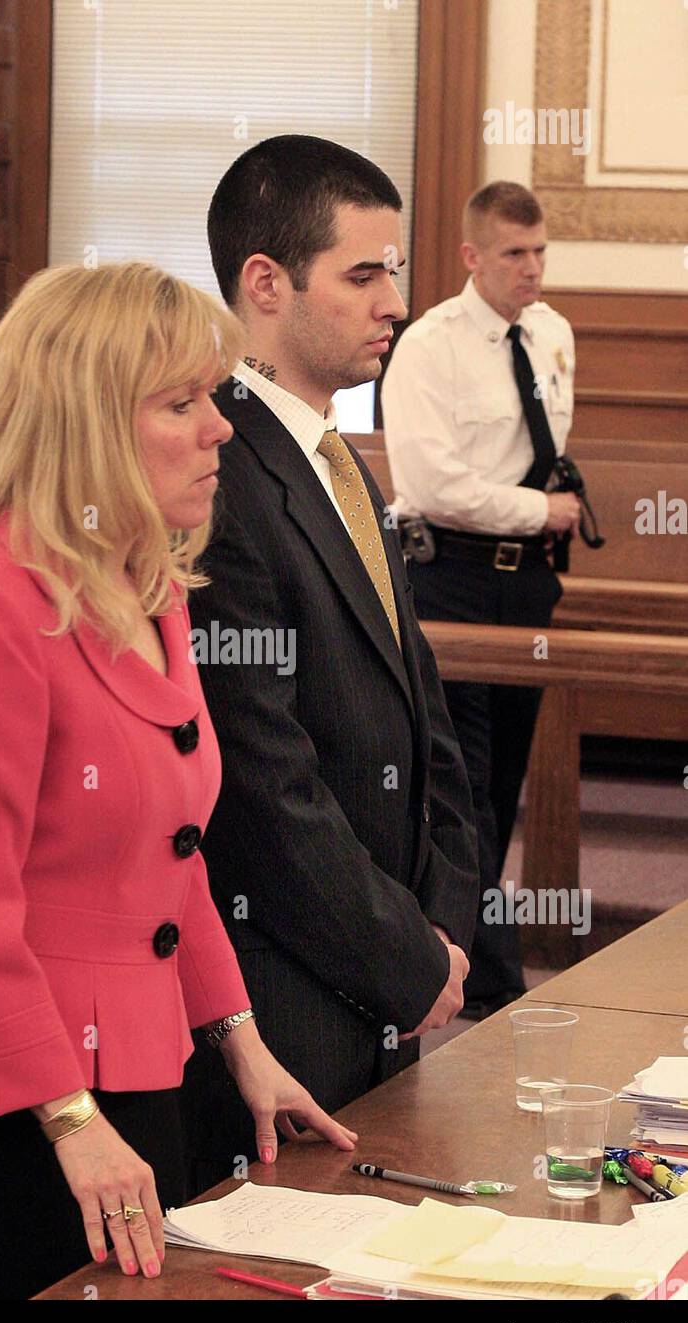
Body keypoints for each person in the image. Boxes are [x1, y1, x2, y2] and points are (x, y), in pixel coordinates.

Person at [0, 262, 357, 1301]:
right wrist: (70, 1119)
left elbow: (172, 855)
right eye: (181, 403)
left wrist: (241, 1044)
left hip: (134, 1063)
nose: (221, 428)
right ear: (83, 426)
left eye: (214, 396)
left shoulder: (146, 582)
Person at [180, 135, 479, 1196]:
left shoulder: (333, 451)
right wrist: (405, 957)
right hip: (287, 983)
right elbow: (264, 782)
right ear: (266, 283)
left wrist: (446, 923)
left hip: (380, 972)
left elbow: (422, 715)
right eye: (363, 273)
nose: (393, 300)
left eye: (393, 270)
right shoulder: (217, 468)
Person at [381, 181, 581, 1019]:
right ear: (473, 256)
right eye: (513, 254)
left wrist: (541, 520)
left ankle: (472, 956)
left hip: (528, 578)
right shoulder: (430, 344)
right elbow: (433, 483)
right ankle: (483, 971)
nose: (531, 269)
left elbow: (538, 450)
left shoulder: (552, 333)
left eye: (539, 252)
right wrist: (541, 509)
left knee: (505, 775)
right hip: (450, 573)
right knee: (460, 783)